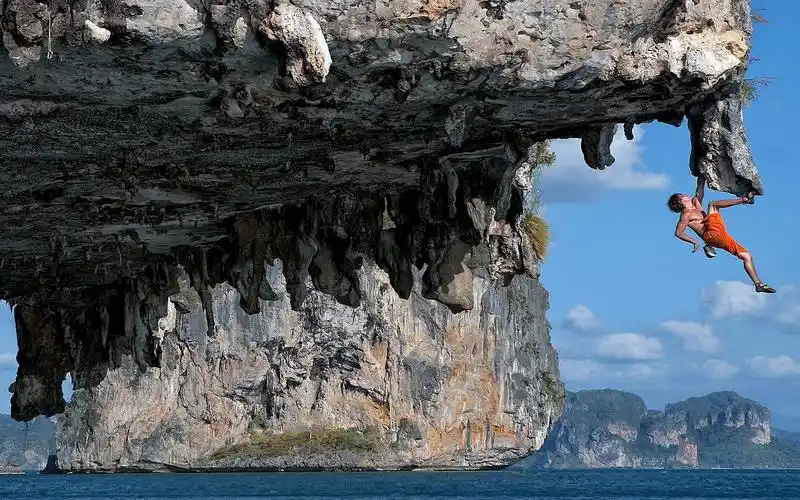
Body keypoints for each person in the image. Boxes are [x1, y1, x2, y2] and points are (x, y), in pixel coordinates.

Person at [666, 175, 776, 294]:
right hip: (711, 234)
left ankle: (758, 284)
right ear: (680, 202)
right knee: (713, 205)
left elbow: (700, 187)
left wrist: (701, 173)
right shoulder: (685, 214)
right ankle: (744, 200)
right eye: (681, 196)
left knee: (747, 256)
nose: (684, 195)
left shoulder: (695, 204)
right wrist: (694, 242)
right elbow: (678, 233)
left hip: (718, 237)